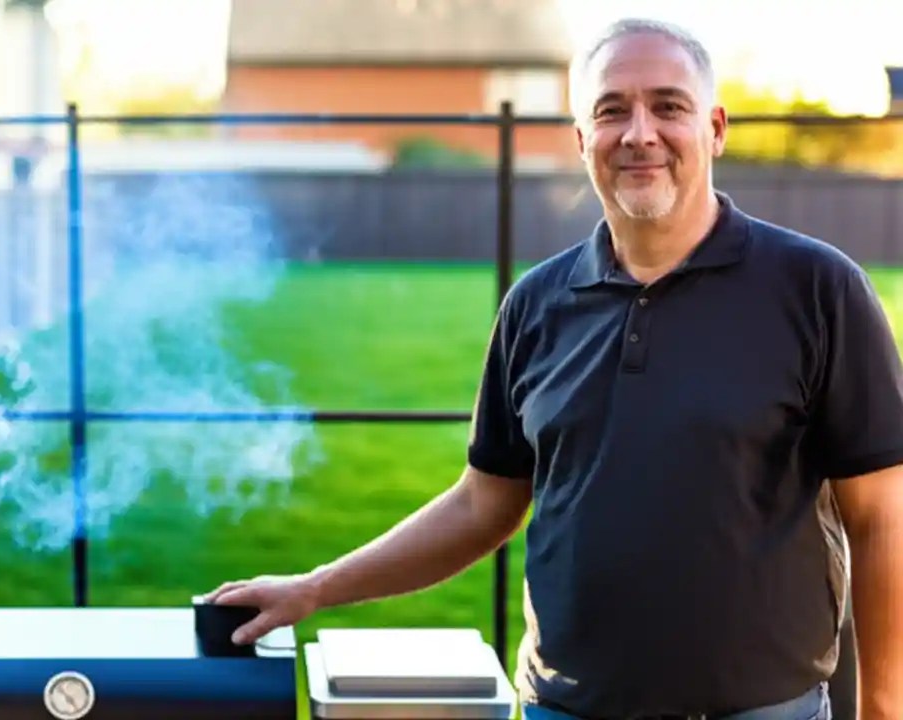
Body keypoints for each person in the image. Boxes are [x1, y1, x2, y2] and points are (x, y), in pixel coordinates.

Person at [202, 17, 903, 720]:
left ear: (714, 128)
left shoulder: (817, 290)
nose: (638, 133)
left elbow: (882, 519)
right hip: (561, 708)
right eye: (610, 110)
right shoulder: (535, 305)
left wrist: (882, 709)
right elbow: (483, 505)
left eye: (668, 106)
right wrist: (314, 588)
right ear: (580, 140)